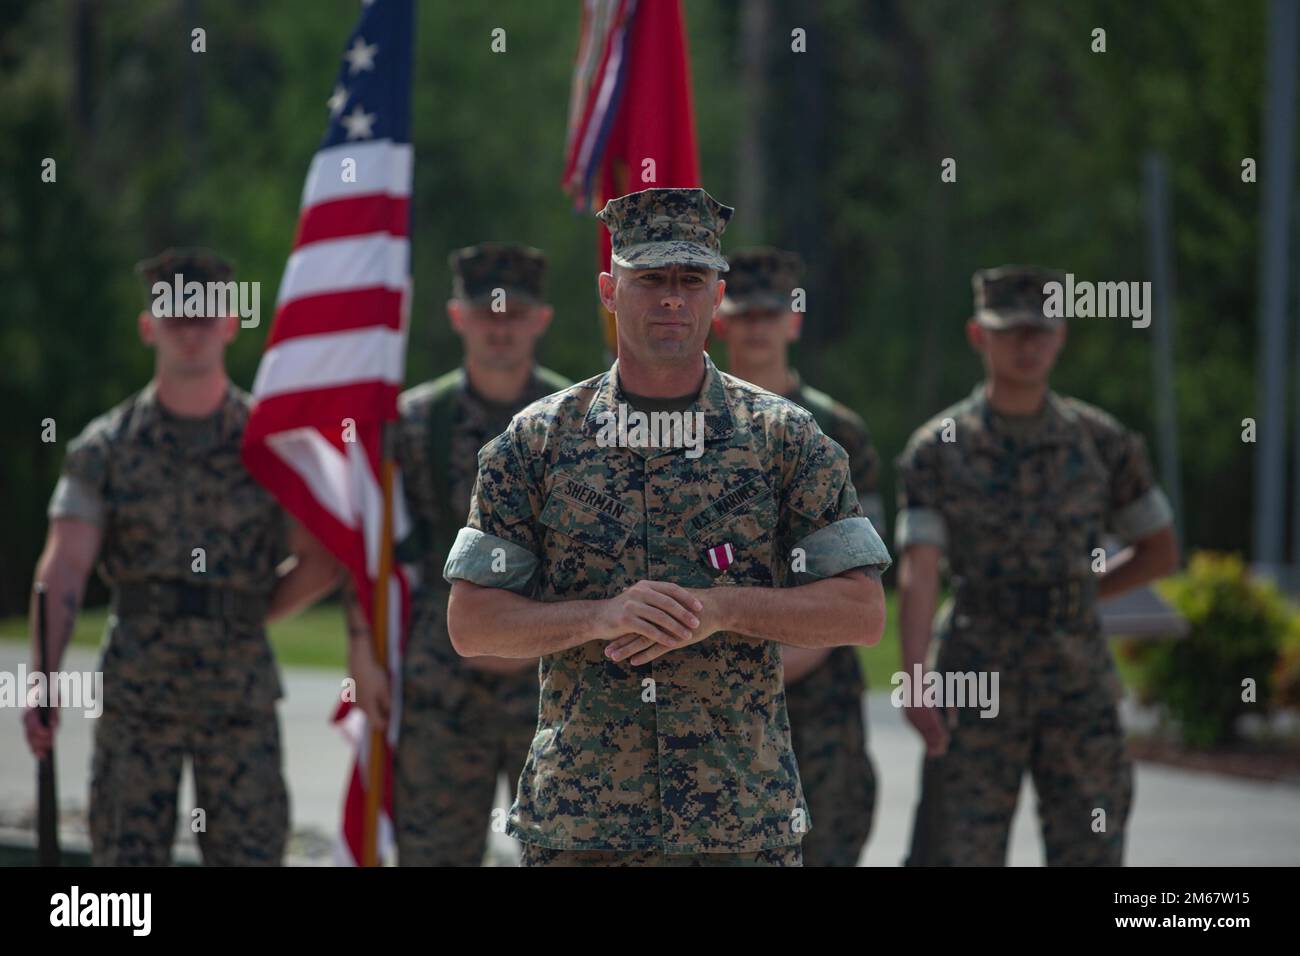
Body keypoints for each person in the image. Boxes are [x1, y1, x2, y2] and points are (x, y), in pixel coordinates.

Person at [443, 188, 891, 867]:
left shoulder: (784, 439)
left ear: (718, 295)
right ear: (608, 289)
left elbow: (860, 612)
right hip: (581, 829)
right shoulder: (536, 442)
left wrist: (724, 608)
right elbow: (472, 623)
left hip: (738, 826)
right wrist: (600, 618)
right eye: (650, 279)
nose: (672, 299)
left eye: (691, 279)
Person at [22, 248, 340, 865]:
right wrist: (41, 679)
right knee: (126, 869)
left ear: (230, 324)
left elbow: (322, 558)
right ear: (150, 327)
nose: (190, 332)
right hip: (138, 694)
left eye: (205, 317)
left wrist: (243, 612)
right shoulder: (105, 448)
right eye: (175, 318)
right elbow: (63, 569)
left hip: (239, 696)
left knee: (249, 853)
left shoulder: (268, 444)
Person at [894, 265, 1180, 866]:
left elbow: (1161, 550)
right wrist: (915, 674)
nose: (1027, 345)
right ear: (979, 335)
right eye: (1011, 331)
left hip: (1075, 675)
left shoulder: (1102, 442)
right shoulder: (937, 447)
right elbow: (920, 567)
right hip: (976, 670)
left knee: (1090, 845)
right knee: (955, 851)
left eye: (1039, 332)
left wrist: (1080, 596)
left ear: (1061, 336)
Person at [346, 242, 569, 866]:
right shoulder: (412, 422)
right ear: (457, 316)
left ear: (540, 320)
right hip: (442, 687)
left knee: (562, 854)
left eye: (515, 314)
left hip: (551, 685)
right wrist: (361, 646)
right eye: (487, 313)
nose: (500, 328)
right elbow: (375, 546)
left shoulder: (577, 420)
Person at [712, 245, 881, 866]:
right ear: (721, 322)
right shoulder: (692, 428)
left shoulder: (838, 431)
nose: (758, 328)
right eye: (744, 315)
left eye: (770, 314)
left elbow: (860, 580)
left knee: (830, 844)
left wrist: (778, 662)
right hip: (718, 696)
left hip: (819, 698)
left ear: (794, 320)